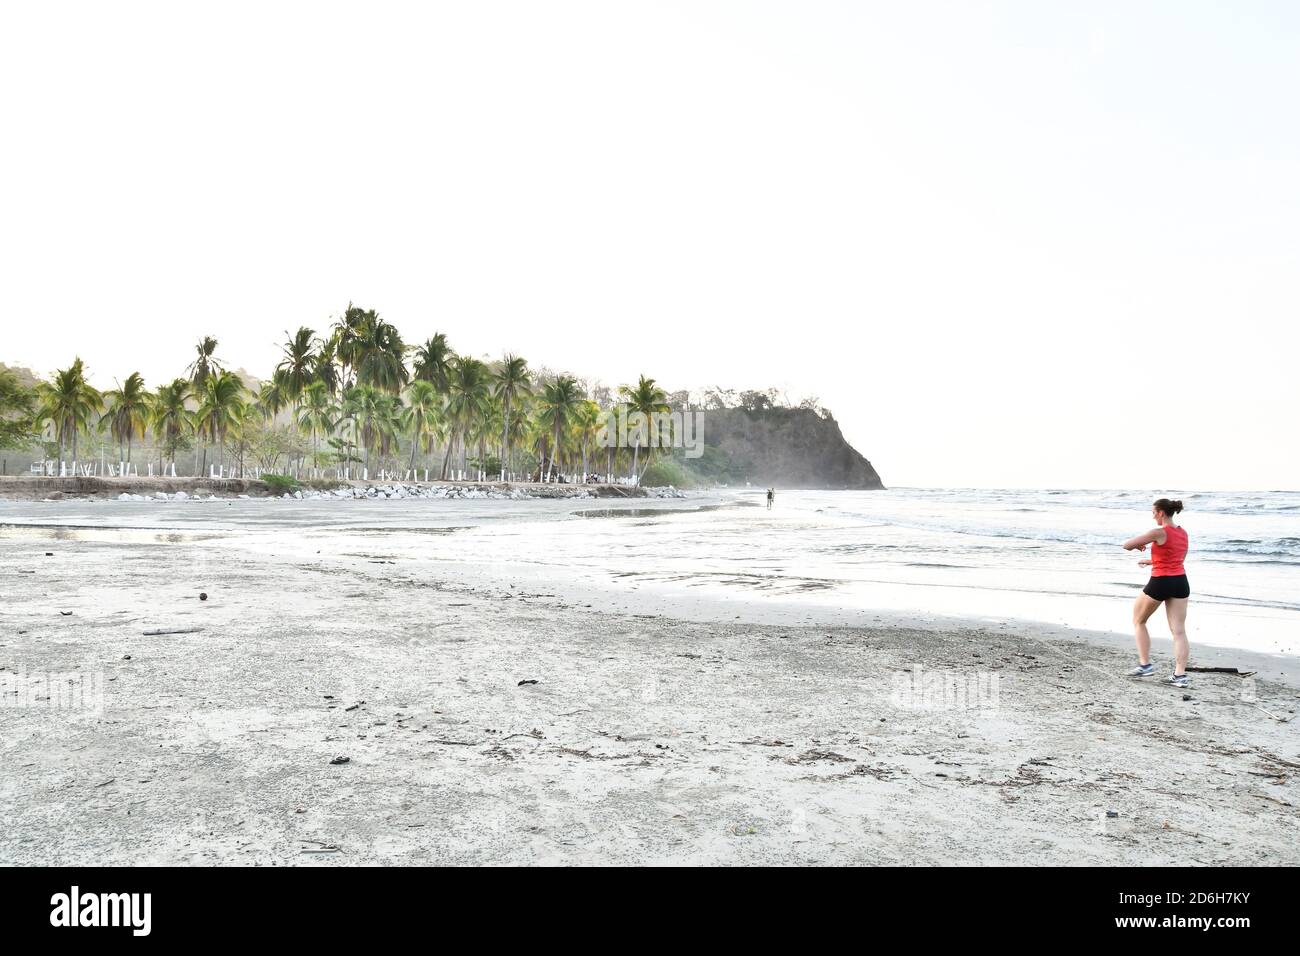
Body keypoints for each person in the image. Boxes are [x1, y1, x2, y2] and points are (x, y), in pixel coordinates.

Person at [1121, 498, 1191, 687]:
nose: (1152, 516)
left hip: (1161, 581)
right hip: (1180, 582)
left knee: (1139, 620)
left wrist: (1137, 545)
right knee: (1179, 631)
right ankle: (1180, 676)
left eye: (1153, 512)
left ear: (1161, 512)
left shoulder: (1158, 532)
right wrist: (1151, 561)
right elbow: (1178, 558)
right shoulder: (1182, 532)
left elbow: (1126, 545)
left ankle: (1145, 666)